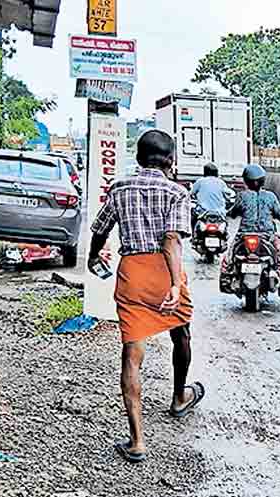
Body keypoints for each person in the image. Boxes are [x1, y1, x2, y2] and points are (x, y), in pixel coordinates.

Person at [87, 129, 206, 464]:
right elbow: (172, 240)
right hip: (165, 271)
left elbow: (99, 230)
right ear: (170, 161)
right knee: (181, 332)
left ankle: (137, 440)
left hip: (133, 273)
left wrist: (93, 258)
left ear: (138, 158)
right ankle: (180, 396)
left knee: (131, 354)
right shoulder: (177, 192)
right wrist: (173, 284)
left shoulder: (120, 188)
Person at [222, 164, 280, 299]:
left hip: (243, 236)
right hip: (267, 236)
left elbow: (233, 212)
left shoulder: (242, 196)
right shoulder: (271, 196)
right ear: (263, 180)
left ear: (245, 181)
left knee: (229, 257)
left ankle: (226, 280)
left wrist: (228, 213)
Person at [189, 162, 233, 228]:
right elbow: (228, 195)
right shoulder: (221, 182)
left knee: (192, 221)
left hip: (203, 213)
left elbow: (190, 194)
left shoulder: (200, 181)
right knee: (225, 227)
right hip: (219, 213)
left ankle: (192, 235)